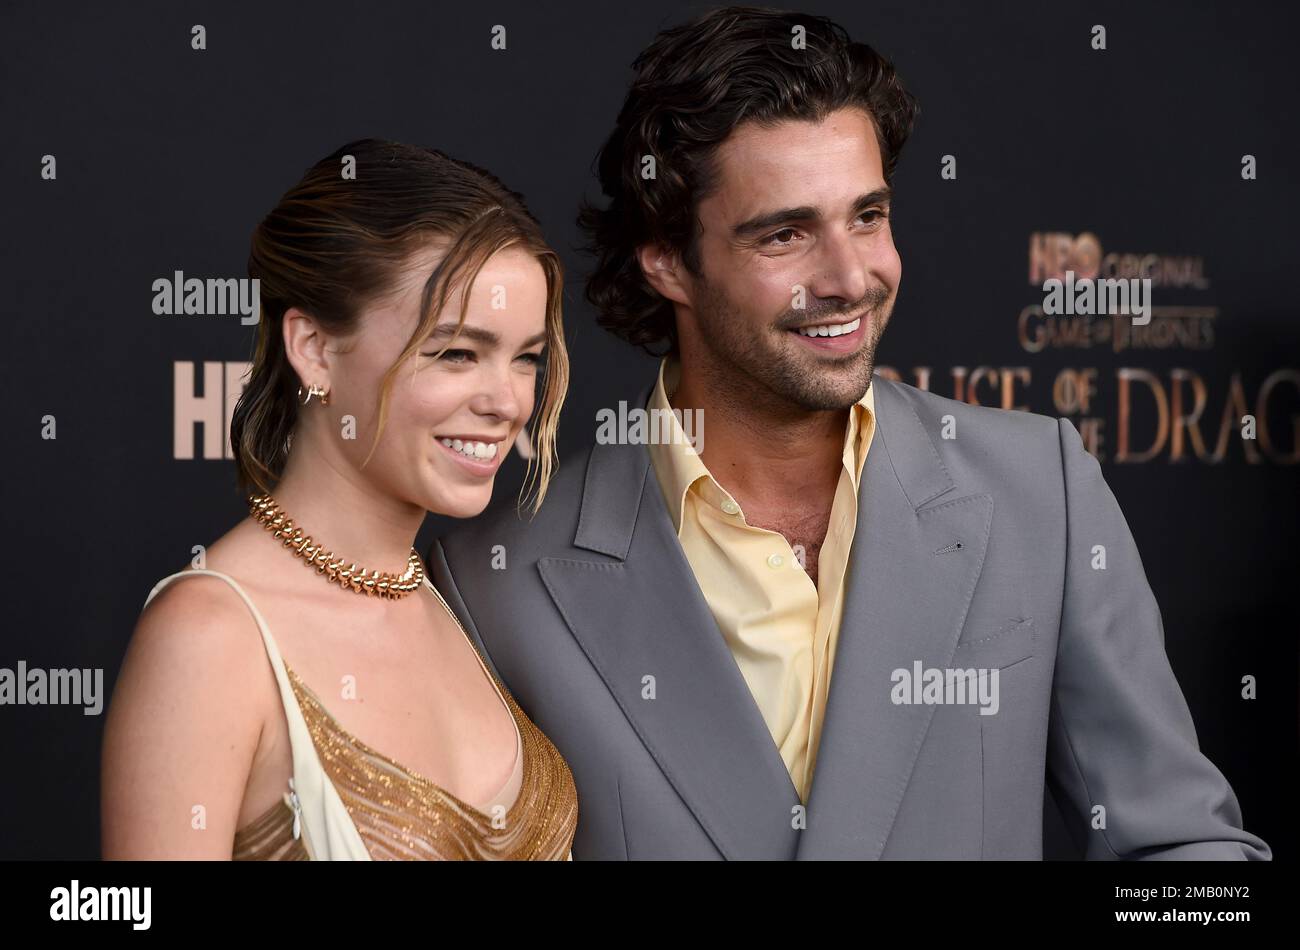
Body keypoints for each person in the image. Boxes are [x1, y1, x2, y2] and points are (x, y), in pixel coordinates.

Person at [430, 7, 1270, 859]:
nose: (850, 278)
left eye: (867, 216)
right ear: (668, 262)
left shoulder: (1038, 491)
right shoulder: (497, 583)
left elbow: (1187, 861)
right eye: (786, 234)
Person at [102, 139, 577, 860]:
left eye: (526, 358)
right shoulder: (208, 638)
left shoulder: (465, 600)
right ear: (315, 349)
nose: (506, 401)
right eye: (455, 352)